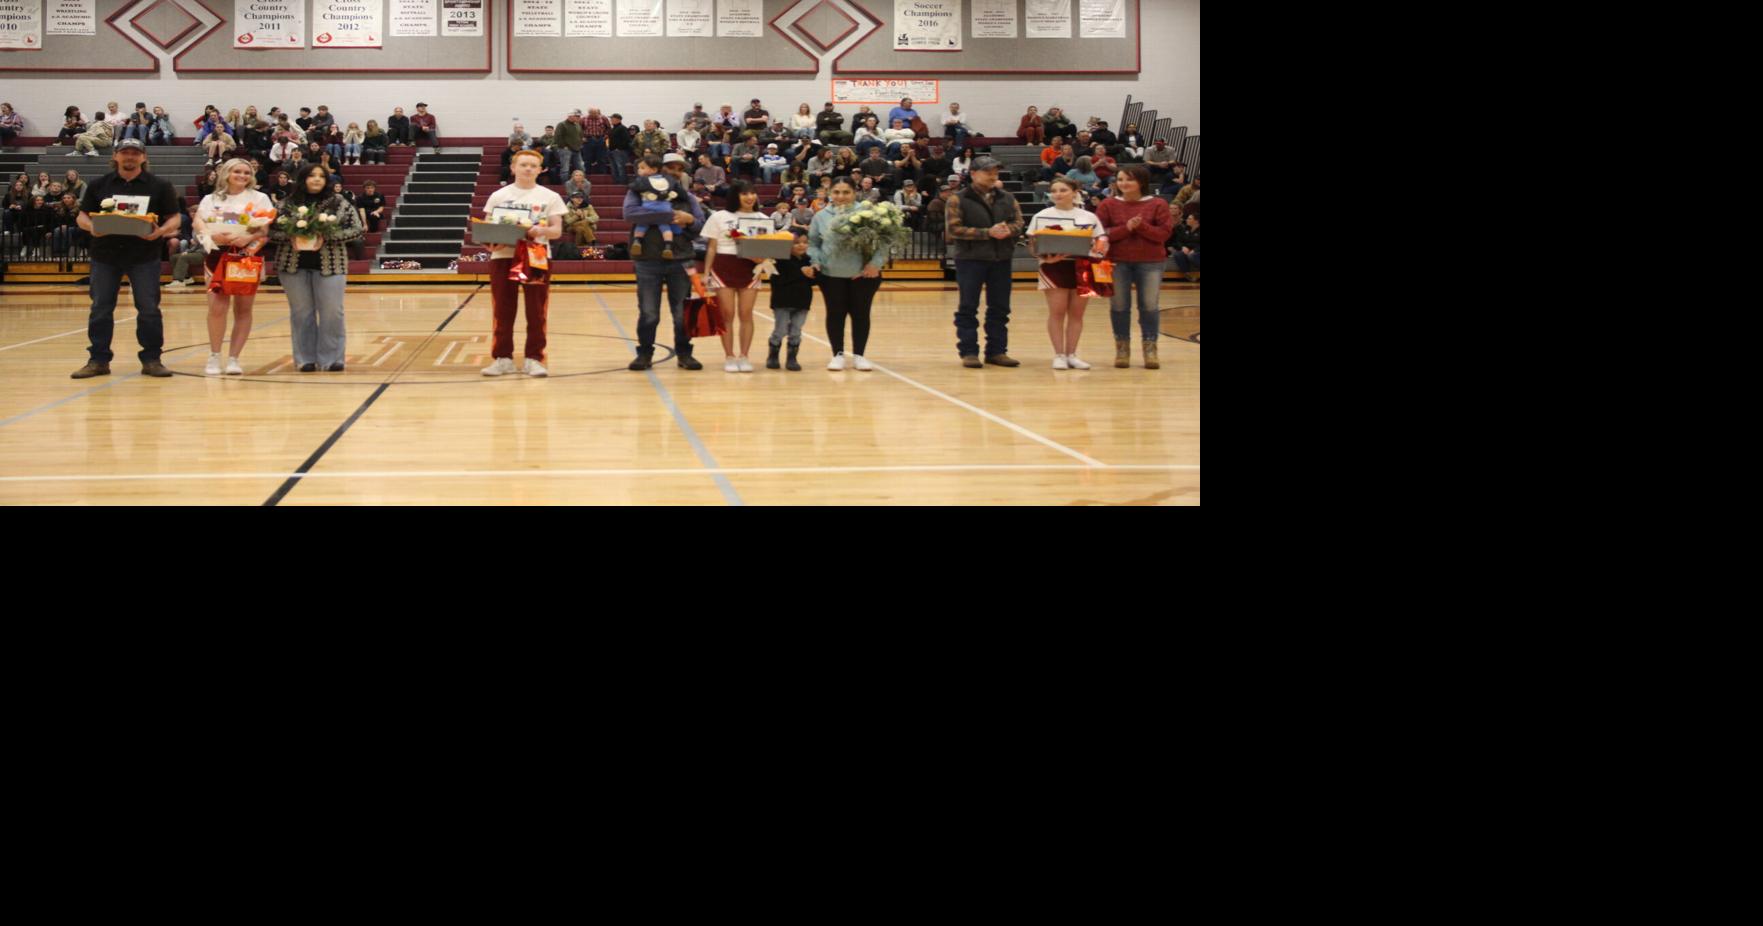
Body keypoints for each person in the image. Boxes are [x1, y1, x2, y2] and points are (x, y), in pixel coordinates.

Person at [70, 138, 182, 379]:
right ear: (115, 156)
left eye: (135, 153)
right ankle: (98, 360)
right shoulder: (99, 184)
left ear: (143, 157)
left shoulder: (160, 186)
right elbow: (82, 216)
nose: (129, 156)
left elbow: (174, 218)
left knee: (148, 309)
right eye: (125, 152)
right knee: (100, 308)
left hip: (144, 256)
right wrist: (91, 227)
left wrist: (161, 232)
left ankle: (152, 360)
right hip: (105, 255)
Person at [478, 149, 565, 377]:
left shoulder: (550, 196)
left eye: (533, 166)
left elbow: (556, 231)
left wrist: (540, 230)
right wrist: (491, 243)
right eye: (523, 165)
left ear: (540, 169)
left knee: (536, 311)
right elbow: (487, 228)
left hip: (536, 257)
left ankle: (534, 359)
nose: (528, 169)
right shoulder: (498, 195)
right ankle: (503, 358)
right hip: (503, 257)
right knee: (503, 310)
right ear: (513, 168)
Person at [269, 163, 363, 372]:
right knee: (301, 313)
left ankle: (332, 358)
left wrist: (327, 236)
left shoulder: (339, 202)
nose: (317, 179)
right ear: (303, 179)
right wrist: (290, 236)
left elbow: (356, 229)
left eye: (321, 176)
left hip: (332, 265)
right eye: (312, 175)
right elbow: (270, 232)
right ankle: (305, 359)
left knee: (332, 312)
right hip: (292, 266)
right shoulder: (286, 204)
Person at [192, 157, 275, 376]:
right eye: (237, 171)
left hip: (246, 257)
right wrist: (210, 235)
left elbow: (264, 232)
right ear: (227, 173)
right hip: (216, 256)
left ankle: (234, 358)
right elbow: (198, 223)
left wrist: (247, 239)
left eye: (247, 172)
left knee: (243, 309)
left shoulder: (260, 198)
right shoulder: (211, 198)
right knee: (217, 308)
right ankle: (214, 355)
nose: (242, 176)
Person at [624, 155, 707, 372]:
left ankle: (684, 353)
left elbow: (700, 226)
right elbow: (630, 214)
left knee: (681, 313)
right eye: (671, 167)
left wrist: (689, 220)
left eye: (680, 169)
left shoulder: (688, 197)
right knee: (649, 312)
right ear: (659, 169)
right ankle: (644, 354)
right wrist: (671, 215)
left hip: (681, 259)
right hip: (647, 260)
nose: (675, 172)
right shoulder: (637, 191)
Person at [945, 156, 1024, 368]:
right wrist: (987, 233)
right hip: (970, 260)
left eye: (995, 172)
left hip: (1001, 258)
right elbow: (954, 229)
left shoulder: (1008, 197)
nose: (992, 175)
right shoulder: (958, 199)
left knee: (1000, 307)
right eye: (987, 171)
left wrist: (1009, 230)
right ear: (973, 174)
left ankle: (997, 351)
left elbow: (1019, 222)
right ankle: (969, 351)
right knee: (968, 306)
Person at [1094, 165, 1173, 369]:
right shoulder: (1108, 204)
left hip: (1151, 262)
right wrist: (1127, 228)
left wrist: (1142, 226)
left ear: (1141, 182)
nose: (1123, 183)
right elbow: (1100, 234)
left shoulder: (1158, 204)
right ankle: (1122, 348)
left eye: (1129, 179)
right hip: (1116, 262)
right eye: (1120, 179)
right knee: (1119, 306)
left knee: (1149, 306)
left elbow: (1163, 235)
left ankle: (1150, 348)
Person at [1027, 177, 1109, 370]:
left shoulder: (1089, 217)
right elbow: (1032, 246)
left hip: (1083, 267)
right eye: (1054, 190)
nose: (1058, 194)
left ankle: (1072, 354)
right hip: (1053, 268)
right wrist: (1045, 258)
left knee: (1077, 314)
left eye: (1063, 190)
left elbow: (1102, 241)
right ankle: (1059, 355)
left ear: (1074, 192)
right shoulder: (1041, 216)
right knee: (1057, 312)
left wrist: (1096, 253)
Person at [807, 177, 886, 372]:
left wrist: (875, 264)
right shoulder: (820, 216)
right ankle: (837, 355)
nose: (841, 196)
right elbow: (813, 243)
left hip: (863, 275)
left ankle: (859, 355)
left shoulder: (868, 214)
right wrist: (816, 260)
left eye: (846, 192)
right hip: (831, 274)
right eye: (836, 192)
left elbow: (883, 242)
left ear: (854, 192)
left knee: (861, 314)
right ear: (829, 193)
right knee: (835, 314)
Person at [702, 180, 775, 373]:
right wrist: (706, 273)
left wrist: (760, 257)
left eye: (752, 193)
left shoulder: (762, 218)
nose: (750, 197)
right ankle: (729, 356)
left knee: (746, 313)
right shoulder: (719, 217)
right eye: (744, 194)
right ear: (735, 196)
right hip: (723, 267)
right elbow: (711, 247)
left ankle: (744, 356)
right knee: (727, 314)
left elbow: (766, 249)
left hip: (750, 269)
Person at [766, 230, 814, 371]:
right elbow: (777, 280)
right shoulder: (778, 260)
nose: (801, 245)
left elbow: (814, 281)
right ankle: (773, 355)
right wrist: (801, 273)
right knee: (780, 329)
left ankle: (792, 358)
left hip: (802, 301)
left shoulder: (810, 260)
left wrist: (814, 274)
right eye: (796, 243)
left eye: (805, 242)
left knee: (796, 331)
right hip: (782, 301)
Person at [627, 157, 685, 259]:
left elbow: (633, 186)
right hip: (665, 210)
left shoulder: (643, 180)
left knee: (642, 224)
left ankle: (637, 241)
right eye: (671, 168)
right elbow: (683, 194)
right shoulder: (670, 181)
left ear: (654, 169)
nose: (639, 170)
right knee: (665, 227)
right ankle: (668, 246)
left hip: (648, 208)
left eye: (642, 168)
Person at [1170, 211, 1200, 282]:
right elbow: (1178, 241)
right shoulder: (1185, 229)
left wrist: (1195, 250)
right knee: (1178, 254)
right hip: (1187, 249)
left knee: (1192, 256)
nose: (1187, 220)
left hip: (1197, 250)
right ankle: (1187, 274)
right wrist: (1182, 247)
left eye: (1189, 219)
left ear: (1196, 221)